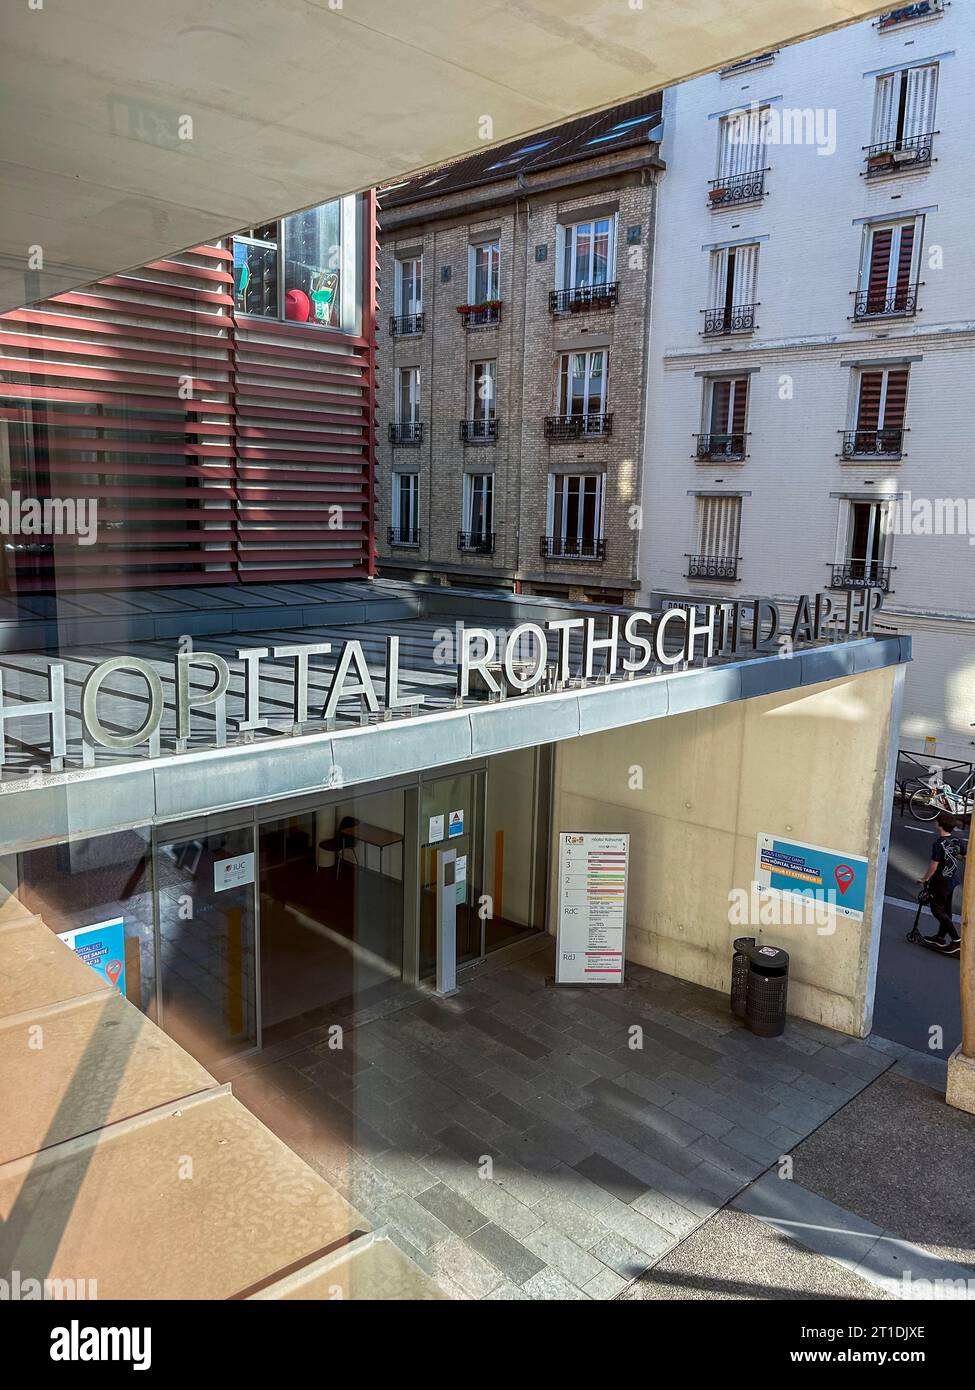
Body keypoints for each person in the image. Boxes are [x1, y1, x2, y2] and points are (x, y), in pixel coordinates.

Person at [918, 811, 966, 955]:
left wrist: (924, 878)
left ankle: (956, 940)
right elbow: (965, 856)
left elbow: (934, 866)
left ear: (940, 825)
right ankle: (940, 937)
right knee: (946, 910)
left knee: (937, 910)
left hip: (940, 882)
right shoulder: (957, 841)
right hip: (952, 881)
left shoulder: (938, 844)